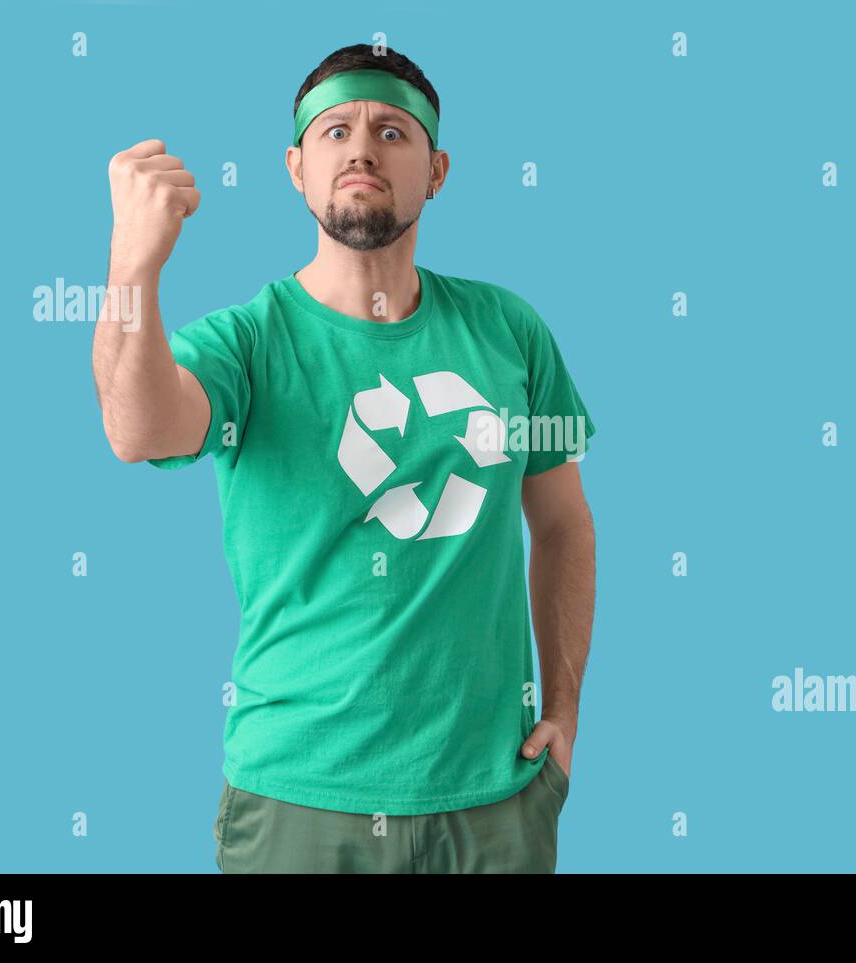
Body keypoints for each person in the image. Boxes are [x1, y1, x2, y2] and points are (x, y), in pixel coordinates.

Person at [91, 44, 597, 873]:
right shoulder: (248, 341)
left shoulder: (511, 331)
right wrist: (130, 269)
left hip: (495, 801)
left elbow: (565, 523)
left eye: (391, 131)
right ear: (297, 167)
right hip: (298, 801)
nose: (361, 146)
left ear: (435, 171)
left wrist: (566, 711)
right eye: (335, 130)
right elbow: (136, 428)